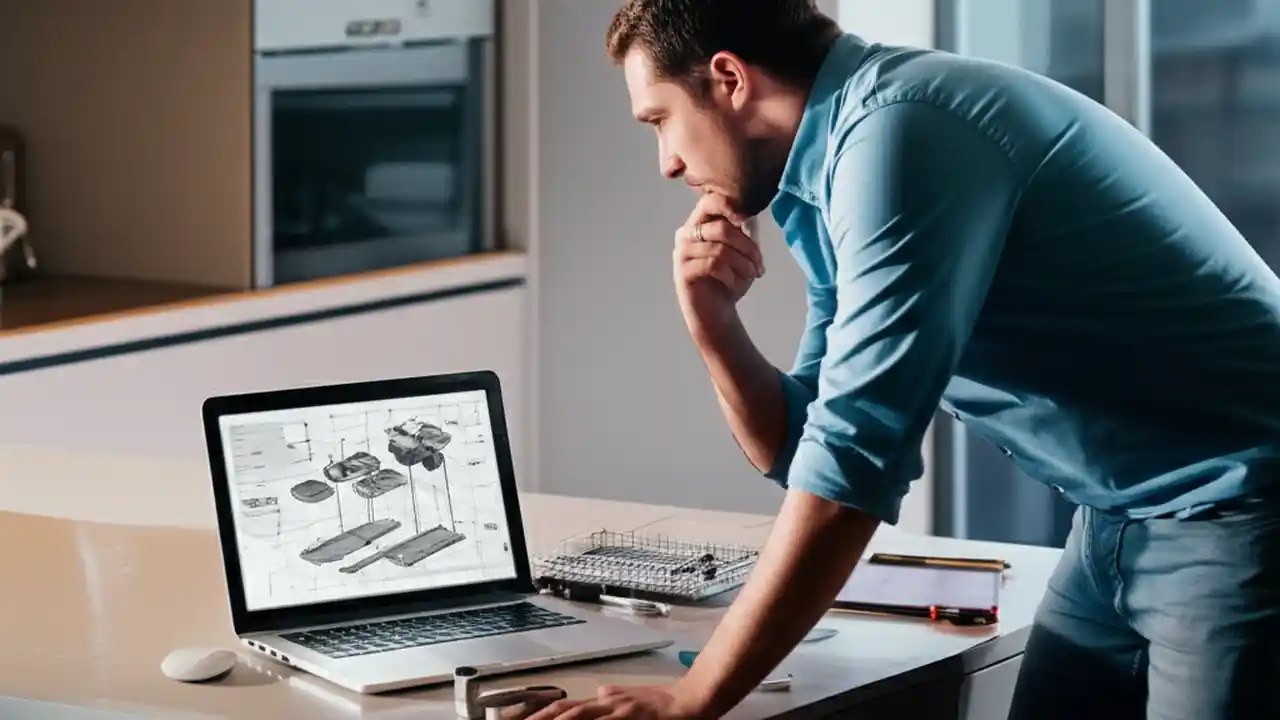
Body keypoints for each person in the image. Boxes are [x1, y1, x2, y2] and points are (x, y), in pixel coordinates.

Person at [529, 1, 1280, 718]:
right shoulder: (825, 172)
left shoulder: (903, 134)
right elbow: (800, 446)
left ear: (729, 79)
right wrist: (712, 323)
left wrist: (698, 696)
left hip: (1244, 504)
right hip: (1118, 516)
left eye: (661, 120)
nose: (666, 162)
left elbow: (852, 464)